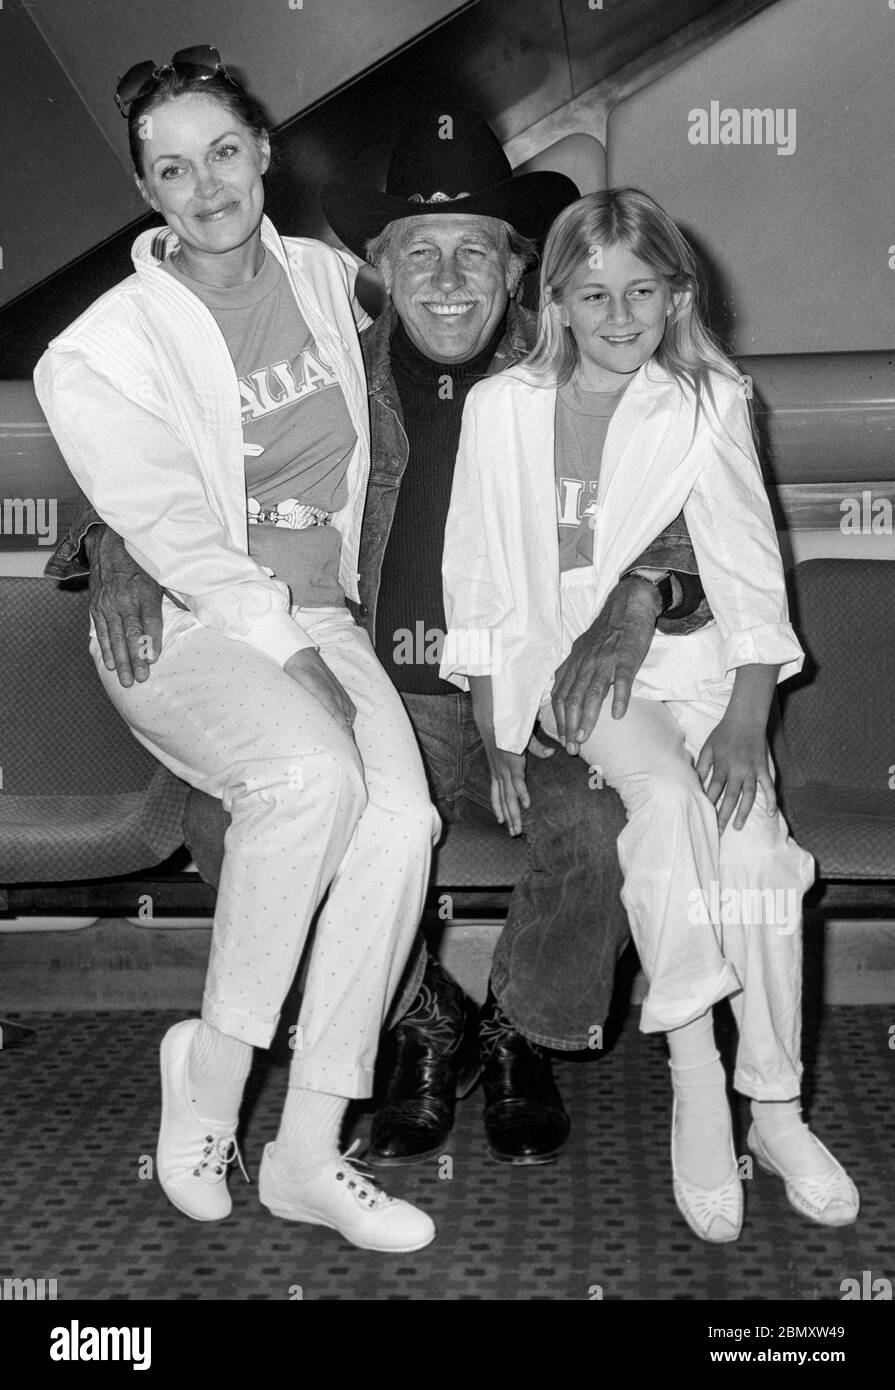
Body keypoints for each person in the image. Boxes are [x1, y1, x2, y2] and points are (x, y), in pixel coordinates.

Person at [48, 111, 710, 1168]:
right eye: (419, 253)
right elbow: (192, 460)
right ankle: (424, 1014)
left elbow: (684, 500)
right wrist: (111, 540)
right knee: (235, 834)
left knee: (597, 824)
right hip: (362, 686)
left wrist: (640, 593)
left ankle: (521, 1027)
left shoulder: (579, 377)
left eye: (476, 251)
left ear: (515, 265)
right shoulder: (330, 371)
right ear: (381, 269)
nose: (448, 278)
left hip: (523, 701)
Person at [35, 47, 441, 1253]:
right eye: (172, 169)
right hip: (184, 620)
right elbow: (165, 525)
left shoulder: (328, 280)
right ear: (149, 195)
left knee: (400, 821)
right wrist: (285, 647)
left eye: (222, 152)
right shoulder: (98, 350)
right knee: (308, 775)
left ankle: (307, 1150)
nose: (205, 185)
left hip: (319, 610)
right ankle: (210, 1084)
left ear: (263, 150)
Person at [440, 188, 859, 1240]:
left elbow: (747, 566)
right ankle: (697, 1080)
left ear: (675, 293)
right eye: (593, 293)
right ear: (558, 301)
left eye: (641, 290)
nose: (618, 315)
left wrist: (746, 718)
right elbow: (479, 576)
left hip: (704, 668)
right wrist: (497, 728)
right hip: (582, 680)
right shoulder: (502, 408)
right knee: (663, 809)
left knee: (760, 857)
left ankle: (776, 1106)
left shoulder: (708, 395)